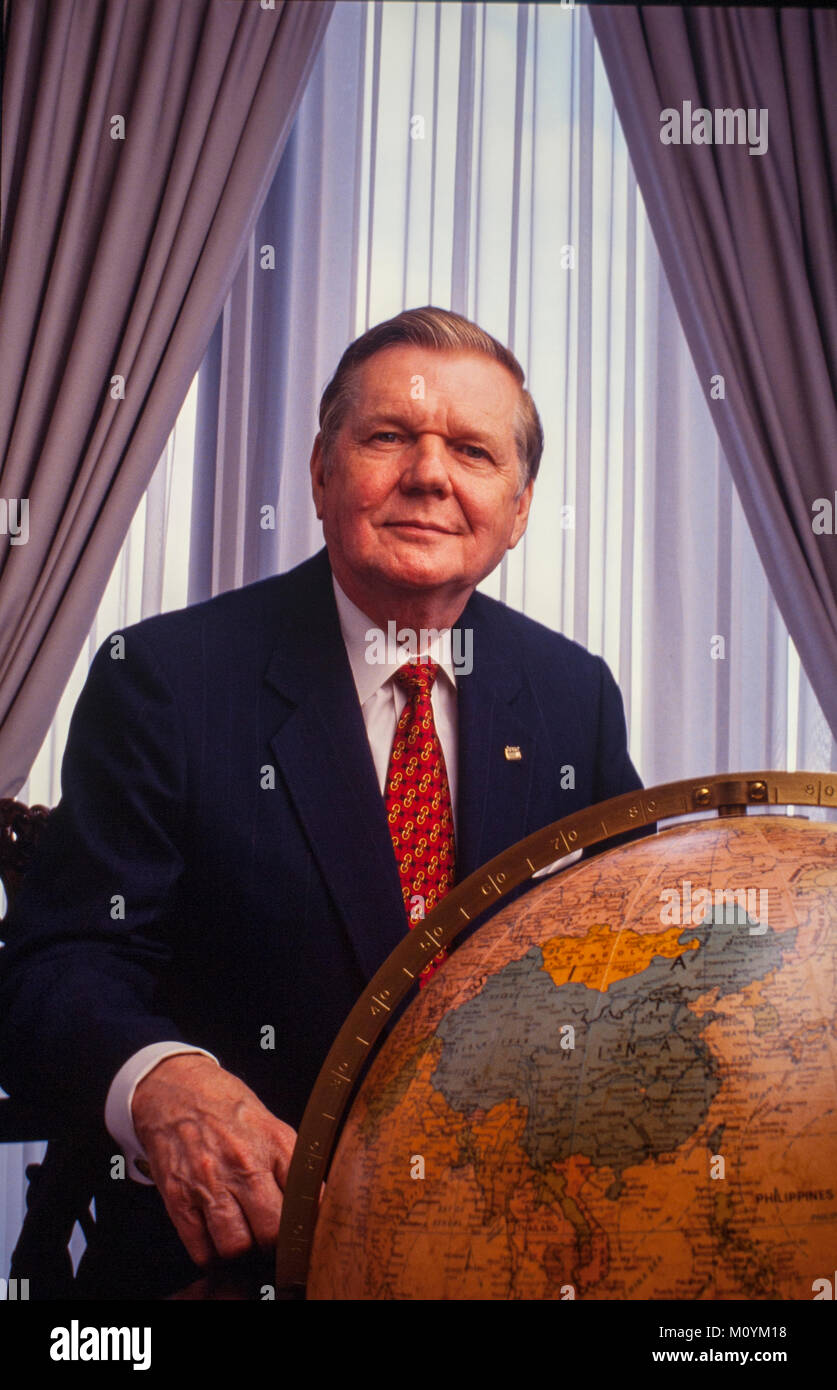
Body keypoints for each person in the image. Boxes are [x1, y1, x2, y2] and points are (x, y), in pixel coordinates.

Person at [0, 307, 645, 1299]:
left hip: (503, 1261)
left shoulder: (574, 694)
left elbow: (630, 957)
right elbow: (59, 965)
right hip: (231, 1264)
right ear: (320, 472)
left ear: (517, 509)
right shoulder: (166, 679)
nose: (428, 473)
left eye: (472, 450)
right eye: (389, 436)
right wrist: (161, 1079)